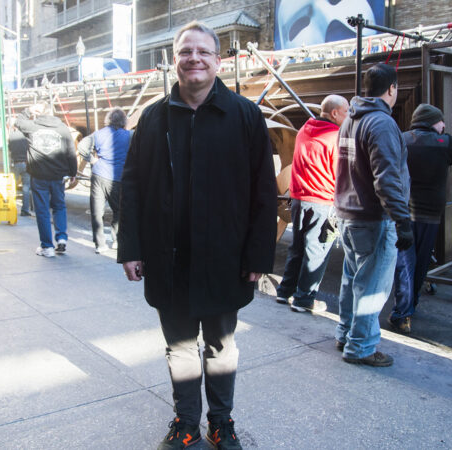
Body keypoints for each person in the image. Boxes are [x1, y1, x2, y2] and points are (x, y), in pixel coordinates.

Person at [118, 21, 276, 450]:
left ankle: (220, 423)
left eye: (203, 52)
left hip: (225, 258)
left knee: (221, 347)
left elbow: (265, 190)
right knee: (181, 348)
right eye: (186, 51)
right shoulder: (152, 118)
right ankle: (186, 420)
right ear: (175, 60)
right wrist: (130, 247)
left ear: (218, 60)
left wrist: (259, 256)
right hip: (168, 259)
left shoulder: (244, 115)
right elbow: (130, 186)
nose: (194, 59)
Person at [333, 63, 412, 367]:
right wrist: (402, 220)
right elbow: (387, 178)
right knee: (372, 286)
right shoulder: (380, 123)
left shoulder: (350, 120)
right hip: (374, 217)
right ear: (391, 89)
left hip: (349, 214)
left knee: (353, 280)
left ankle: (346, 334)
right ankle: (361, 346)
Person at [390, 104, 452, 333]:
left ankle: (403, 310)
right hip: (430, 215)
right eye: (441, 122)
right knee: (421, 264)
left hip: (402, 212)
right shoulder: (445, 143)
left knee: (404, 264)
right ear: (433, 122)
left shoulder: (402, 138)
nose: (443, 126)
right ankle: (407, 308)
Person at [275, 94, 348, 313]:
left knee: (298, 247)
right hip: (323, 202)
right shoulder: (336, 137)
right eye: (347, 112)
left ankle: (285, 291)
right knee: (318, 250)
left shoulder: (305, 130)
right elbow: (342, 174)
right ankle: (304, 299)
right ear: (334, 113)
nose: (349, 116)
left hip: (299, 200)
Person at [15, 101, 77, 257]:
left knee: (42, 211)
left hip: (39, 176)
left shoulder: (32, 127)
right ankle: (62, 238)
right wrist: (73, 172)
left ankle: (47, 246)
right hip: (58, 176)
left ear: (38, 112)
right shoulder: (63, 129)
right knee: (59, 207)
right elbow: (70, 153)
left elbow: (18, 121)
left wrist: (28, 110)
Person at [77, 107, 131, 253]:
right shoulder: (129, 135)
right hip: (118, 177)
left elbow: (82, 146)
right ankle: (117, 240)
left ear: (108, 120)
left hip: (99, 175)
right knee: (119, 211)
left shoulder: (98, 134)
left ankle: (100, 244)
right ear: (124, 121)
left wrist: (92, 160)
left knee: (97, 211)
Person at [8, 122, 32, 217]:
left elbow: (9, 148)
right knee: (26, 188)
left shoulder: (12, 135)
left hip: (16, 164)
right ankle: (25, 210)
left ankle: (10, 208)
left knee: (11, 186)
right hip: (26, 164)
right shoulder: (27, 135)